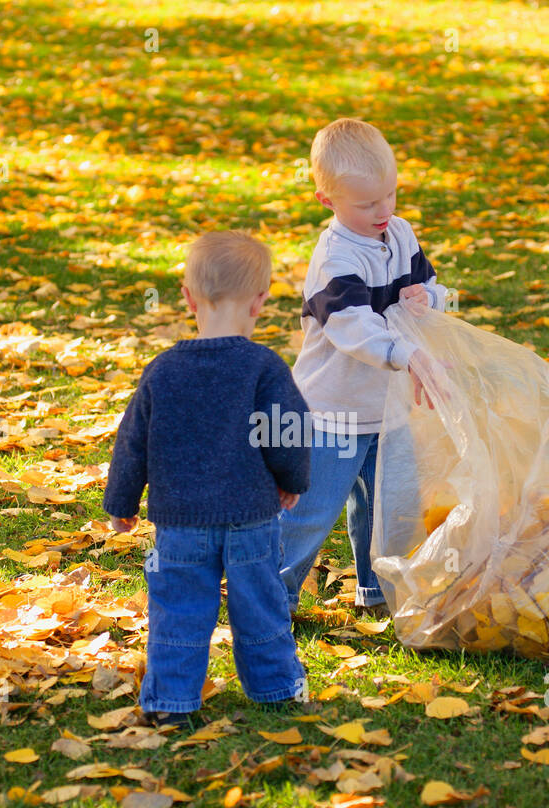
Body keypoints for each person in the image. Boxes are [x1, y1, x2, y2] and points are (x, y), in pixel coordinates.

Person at [103, 231, 311, 727]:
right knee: (261, 606)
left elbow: (134, 438)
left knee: (178, 611)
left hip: (180, 523)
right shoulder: (264, 367)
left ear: (188, 297)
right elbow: (289, 430)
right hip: (252, 518)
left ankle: (172, 703)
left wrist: (122, 500)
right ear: (260, 302)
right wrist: (293, 480)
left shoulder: (163, 371)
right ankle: (278, 690)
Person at [280, 117, 449, 616]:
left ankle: (377, 589)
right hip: (331, 411)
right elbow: (354, 327)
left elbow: (434, 287)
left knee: (383, 509)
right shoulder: (335, 258)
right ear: (327, 200)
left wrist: (430, 296)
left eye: (390, 196)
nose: (383, 211)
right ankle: (271, 591)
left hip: (386, 409)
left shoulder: (399, 234)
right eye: (367, 204)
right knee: (311, 511)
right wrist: (409, 354)